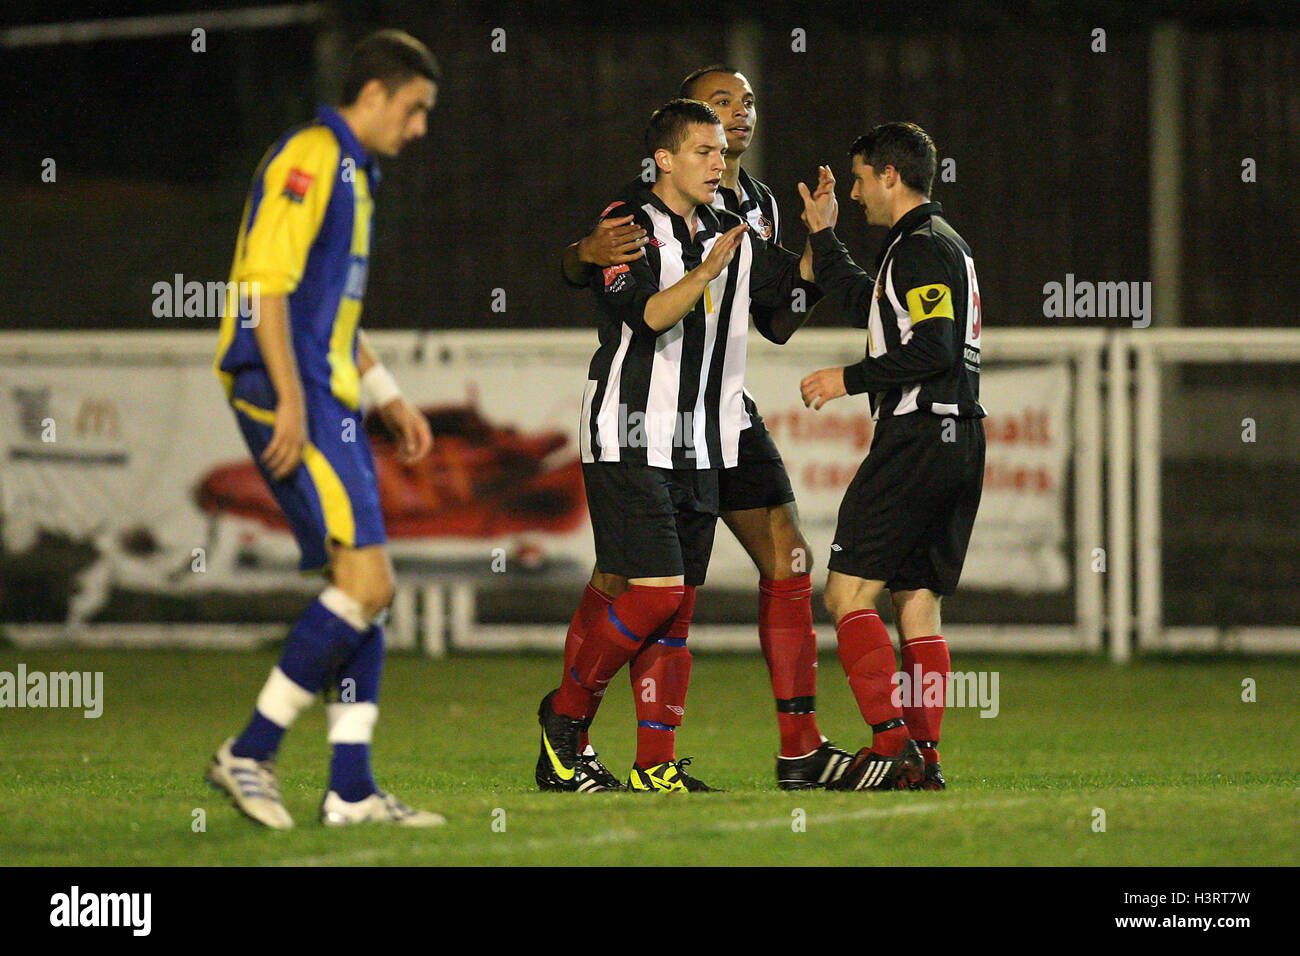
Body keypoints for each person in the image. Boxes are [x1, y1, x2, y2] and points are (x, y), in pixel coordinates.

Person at [559, 66, 852, 791]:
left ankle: (725, 757)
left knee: (738, 577)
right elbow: (629, 297)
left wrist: (822, 243)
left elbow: (781, 310)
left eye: (744, 110)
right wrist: (581, 257)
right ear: (671, 145)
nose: (732, 132)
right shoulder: (634, 212)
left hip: (716, 428)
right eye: (717, 117)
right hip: (635, 427)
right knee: (640, 588)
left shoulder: (742, 212)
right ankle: (564, 727)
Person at [207, 30, 444, 827]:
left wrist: (387, 395)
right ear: (373, 94)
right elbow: (259, 287)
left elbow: (331, 311)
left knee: (360, 592)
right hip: (294, 392)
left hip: (322, 392)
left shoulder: (358, 171)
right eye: (413, 110)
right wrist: (292, 398)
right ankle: (250, 751)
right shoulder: (311, 153)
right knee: (369, 585)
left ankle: (349, 790)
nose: (419, 128)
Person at [797, 122, 986, 791]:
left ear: (889, 176)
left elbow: (932, 347)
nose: (853, 193)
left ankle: (890, 743)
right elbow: (863, 304)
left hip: (919, 437)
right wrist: (822, 235)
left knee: (847, 591)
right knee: (916, 601)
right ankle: (924, 758)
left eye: (858, 179)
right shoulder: (934, 246)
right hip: (960, 440)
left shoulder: (921, 250)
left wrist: (844, 380)